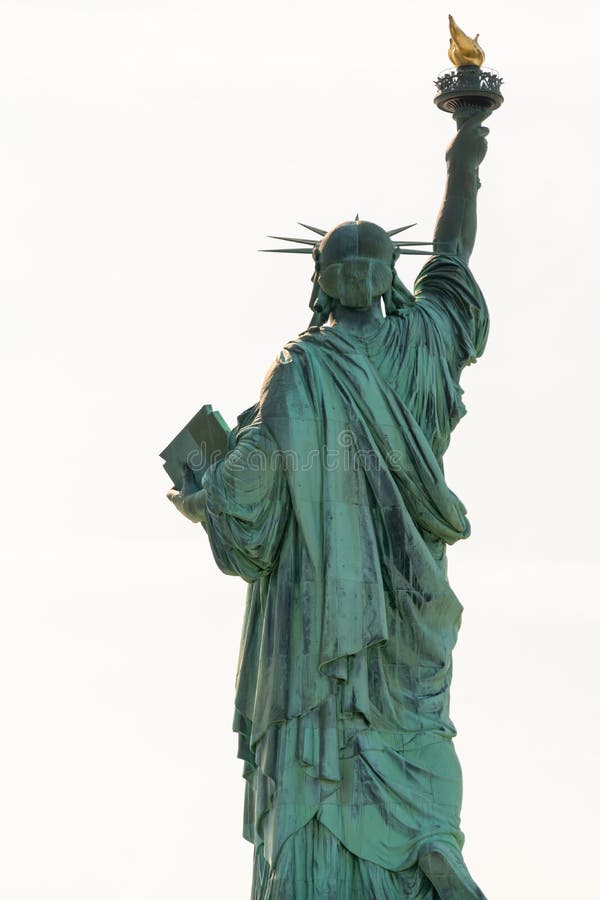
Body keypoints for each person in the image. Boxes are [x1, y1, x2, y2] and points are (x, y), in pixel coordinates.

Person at [168, 110, 491, 899]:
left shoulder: (300, 368)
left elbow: (250, 485)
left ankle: (327, 864)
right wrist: (469, 139)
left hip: (314, 632)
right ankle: (424, 834)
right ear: (390, 279)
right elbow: (452, 253)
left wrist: (201, 495)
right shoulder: (424, 345)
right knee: (416, 725)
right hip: (409, 603)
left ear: (317, 284)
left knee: (319, 746)